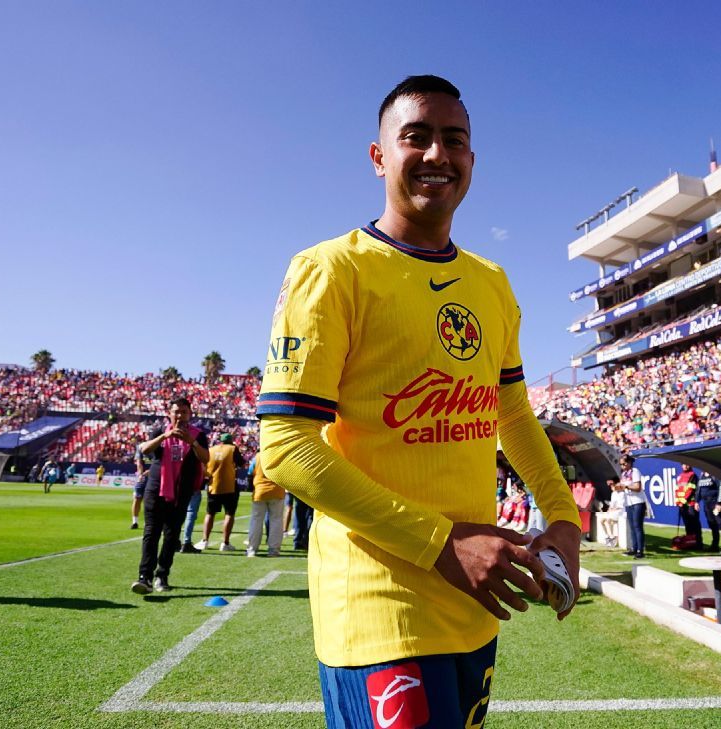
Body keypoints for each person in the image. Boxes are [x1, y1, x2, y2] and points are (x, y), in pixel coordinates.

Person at [256, 75, 581, 728]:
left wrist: (564, 518)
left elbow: (512, 414)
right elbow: (286, 449)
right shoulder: (331, 270)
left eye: (454, 140)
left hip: (474, 606)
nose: (438, 154)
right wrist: (441, 544)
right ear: (379, 157)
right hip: (380, 609)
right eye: (416, 137)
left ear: (472, 160)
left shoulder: (491, 282)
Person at [131, 397, 209, 594]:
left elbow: (206, 458)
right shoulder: (159, 430)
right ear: (170, 413)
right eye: (176, 412)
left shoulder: (198, 435)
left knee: (172, 534)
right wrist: (165, 436)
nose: (180, 415)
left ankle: (162, 574)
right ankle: (144, 577)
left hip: (182, 490)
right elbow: (144, 449)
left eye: (184, 412)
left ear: (190, 414)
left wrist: (192, 442)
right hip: (156, 488)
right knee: (151, 532)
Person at [196, 433, 245, 552]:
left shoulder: (211, 449)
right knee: (229, 514)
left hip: (213, 485)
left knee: (210, 513)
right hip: (229, 486)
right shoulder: (233, 449)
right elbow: (242, 464)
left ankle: (205, 540)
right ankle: (225, 543)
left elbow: (203, 464)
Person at [245, 449, 286, 557]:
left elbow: (250, 472)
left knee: (256, 520)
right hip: (277, 491)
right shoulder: (280, 455)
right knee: (276, 520)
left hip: (260, 491)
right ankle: (274, 549)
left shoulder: (258, 456)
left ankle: (252, 549)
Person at [621, 455, 648, 558]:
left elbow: (637, 487)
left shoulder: (635, 471)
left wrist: (626, 486)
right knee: (632, 527)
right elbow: (623, 487)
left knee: (637, 526)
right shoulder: (624, 474)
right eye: (621, 464)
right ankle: (634, 548)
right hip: (629, 502)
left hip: (638, 502)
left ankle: (640, 550)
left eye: (624, 464)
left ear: (629, 463)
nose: (622, 466)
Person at [130, 443, 150, 529]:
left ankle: (147, 522)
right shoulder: (141, 446)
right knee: (137, 498)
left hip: (154, 476)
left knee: (149, 500)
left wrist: (152, 470)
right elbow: (139, 462)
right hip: (142, 477)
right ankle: (134, 522)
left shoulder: (159, 445)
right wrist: (141, 474)